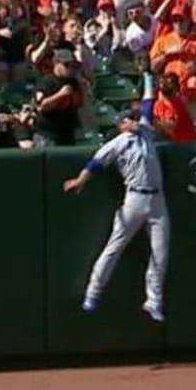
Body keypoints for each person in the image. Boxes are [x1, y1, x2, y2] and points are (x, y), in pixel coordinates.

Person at [64, 74, 168, 323]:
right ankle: (93, 292)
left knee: (161, 253)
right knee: (114, 247)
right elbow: (96, 163)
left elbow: (148, 103)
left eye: (133, 119)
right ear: (120, 124)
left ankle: (153, 301)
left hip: (158, 201)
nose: (133, 122)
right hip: (133, 199)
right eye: (128, 120)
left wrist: (147, 77)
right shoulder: (118, 143)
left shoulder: (146, 133)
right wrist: (80, 180)